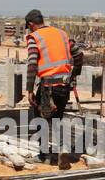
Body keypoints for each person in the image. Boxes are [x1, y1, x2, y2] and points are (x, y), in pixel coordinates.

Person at [24, 9, 84, 169]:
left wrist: (29, 89)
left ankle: (44, 156)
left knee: (39, 117)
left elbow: (32, 63)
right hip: (64, 86)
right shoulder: (62, 34)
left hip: (47, 87)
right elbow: (78, 55)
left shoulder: (34, 37)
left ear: (31, 24)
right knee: (56, 119)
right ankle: (62, 149)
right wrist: (74, 74)